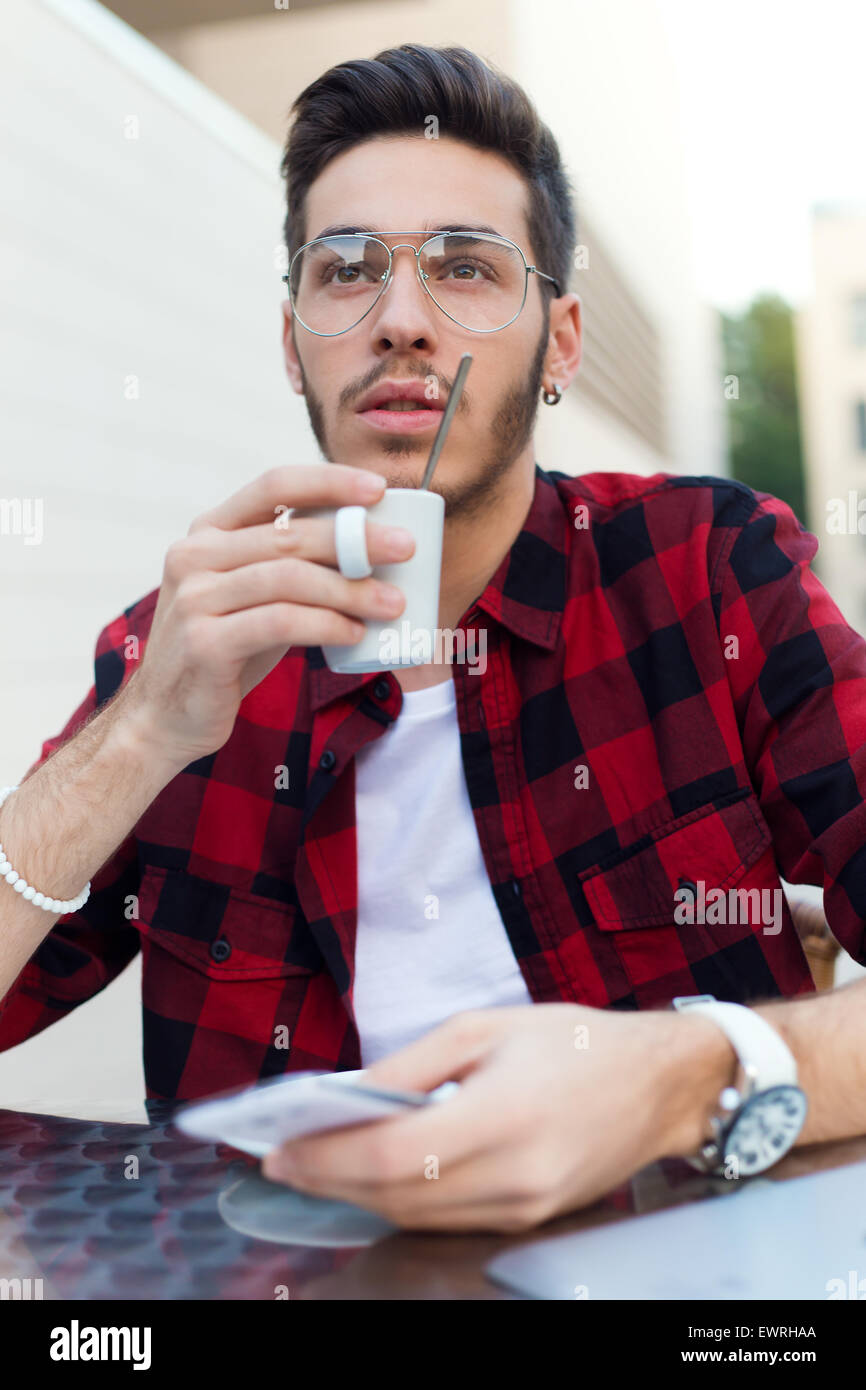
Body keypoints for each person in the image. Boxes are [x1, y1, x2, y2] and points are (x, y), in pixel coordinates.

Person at [1, 44, 865, 1235]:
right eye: (345, 270)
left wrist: (688, 1079)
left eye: (462, 267)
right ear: (293, 338)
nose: (399, 320)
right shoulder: (182, 654)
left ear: (558, 341)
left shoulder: (703, 573)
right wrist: (139, 735)